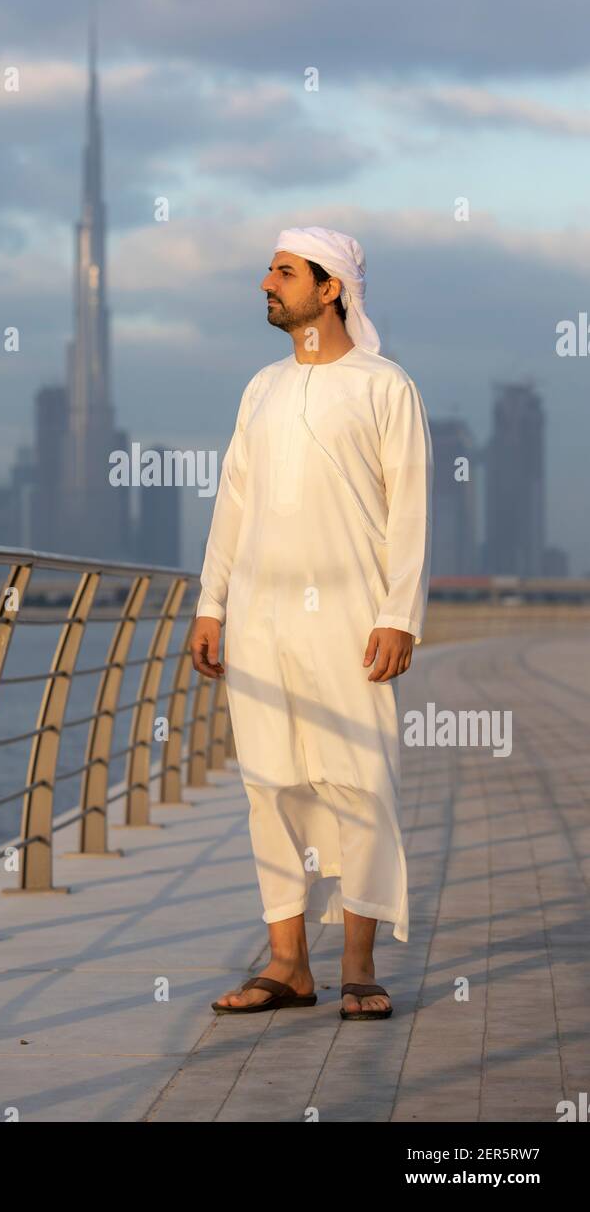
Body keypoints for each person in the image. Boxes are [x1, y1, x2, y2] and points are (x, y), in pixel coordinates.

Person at [191, 227, 433, 1019]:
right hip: (259, 622)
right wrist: (211, 604)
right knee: (270, 784)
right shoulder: (259, 388)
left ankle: (357, 966)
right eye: (271, 268)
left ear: (330, 289)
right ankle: (288, 964)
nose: (266, 281)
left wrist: (399, 615)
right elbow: (232, 502)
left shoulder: (383, 385)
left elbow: (411, 511)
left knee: (360, 780)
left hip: (350, 620)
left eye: (283, 271)